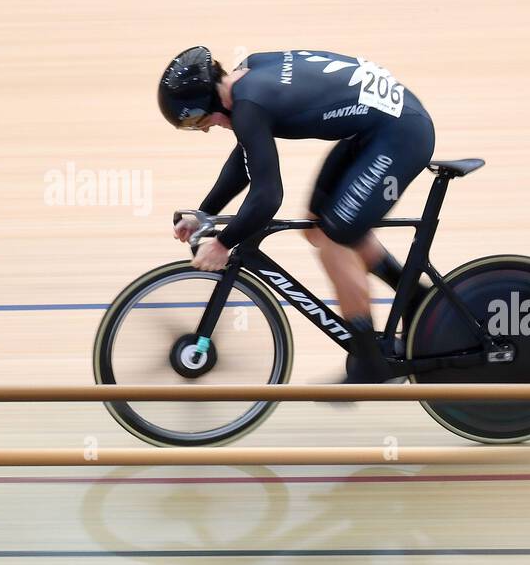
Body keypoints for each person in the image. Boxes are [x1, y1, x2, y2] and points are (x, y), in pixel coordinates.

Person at [157, 46, 436, 382]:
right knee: (319, 225)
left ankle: (371, 363)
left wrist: (223, 243)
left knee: (335, 238)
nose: (203, 130)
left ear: (210, 103)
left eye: (198, 121)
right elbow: (247, 158)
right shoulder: (249, 74)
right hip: (379, 128)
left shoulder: (248, 106)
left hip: (399, 136)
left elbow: (267, 197)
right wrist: (205, 214)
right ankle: (417, 299)